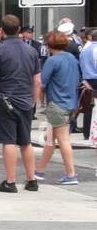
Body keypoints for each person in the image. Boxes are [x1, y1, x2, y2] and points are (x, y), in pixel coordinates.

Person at [0, 15, 42, 193]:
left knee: (8, 140)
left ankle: (10, 181)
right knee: (25, 141)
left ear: (2, 31)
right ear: (19, 30)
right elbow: (37, 81)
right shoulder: (31, 51)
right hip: (25, 100)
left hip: (5, 100)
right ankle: (32, 180)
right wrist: (33, 101)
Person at [36, 31, 80, 184]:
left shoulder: (52, 61)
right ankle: (39, 171)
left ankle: (71, 174)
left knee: (62, 140)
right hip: (71, 103)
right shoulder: (72, 59)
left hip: (56, 104)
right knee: (50, 138)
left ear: (48, 45)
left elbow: (42, 83)